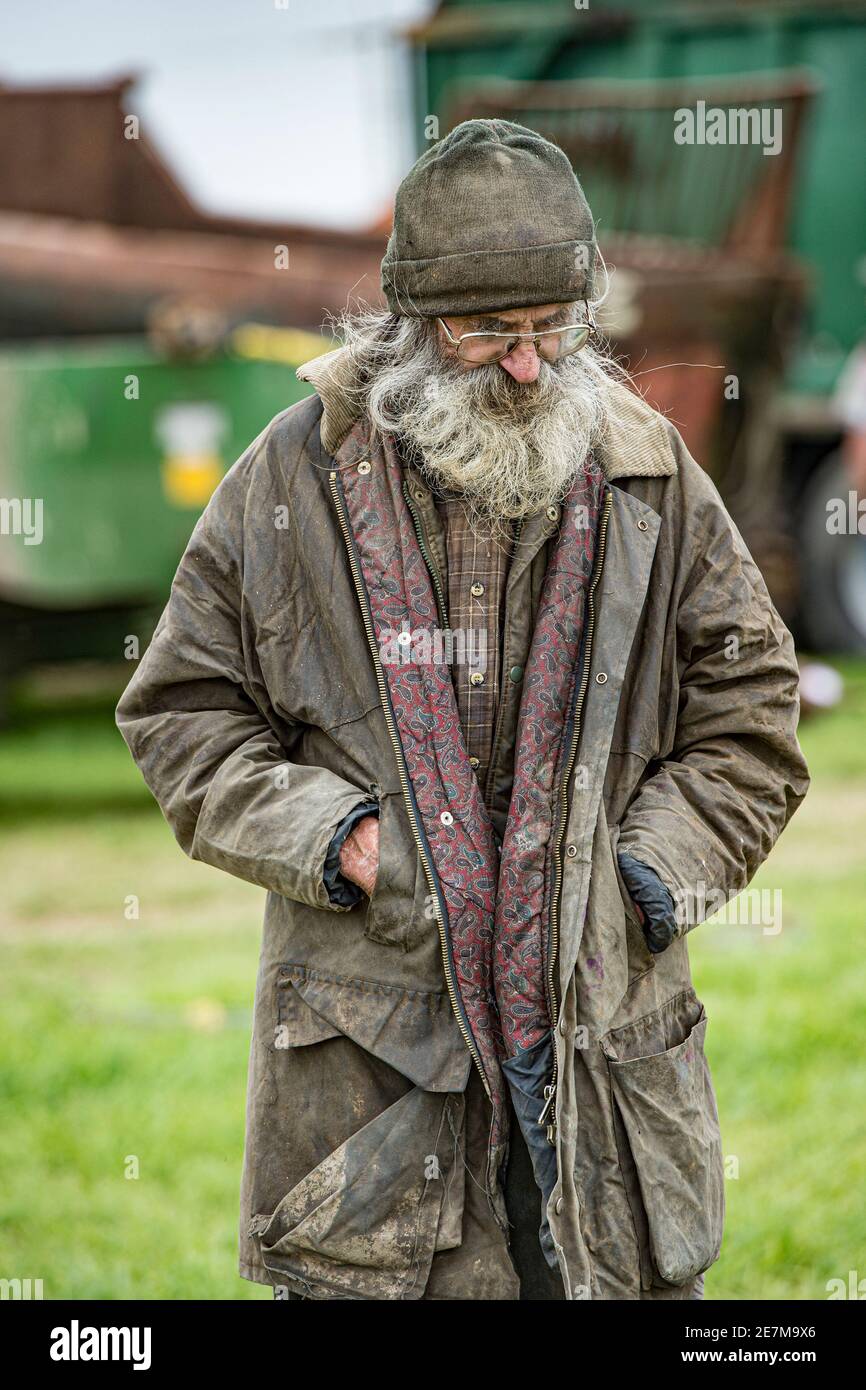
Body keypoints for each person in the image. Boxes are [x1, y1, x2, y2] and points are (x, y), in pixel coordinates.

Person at [116, 120, 809, 1301]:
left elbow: (749, 708)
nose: (527, 366)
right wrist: (336, 839)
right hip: (370, 1054)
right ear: (407, 330)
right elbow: (182, 710)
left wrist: (643, 873)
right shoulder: (287, 481)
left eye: (550, 329)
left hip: (599, 1048)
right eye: (485, 331)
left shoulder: (650, 474)